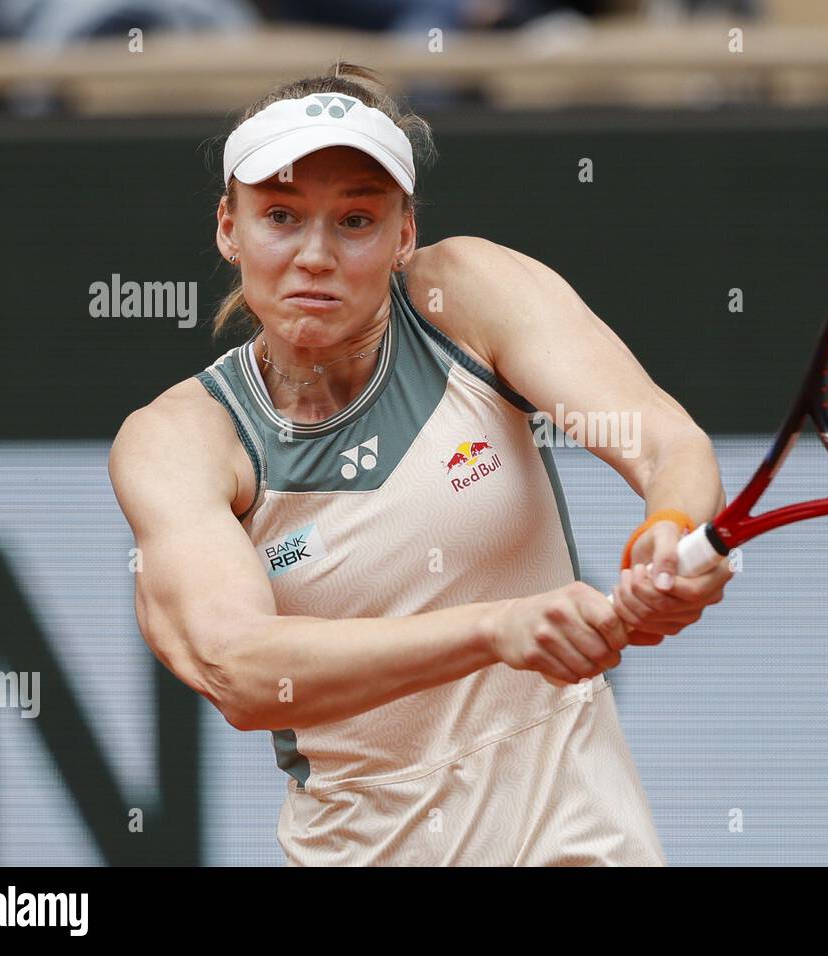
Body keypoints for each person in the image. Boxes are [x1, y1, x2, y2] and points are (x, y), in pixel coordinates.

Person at [108, 61, 733, 866]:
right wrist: (496, 629)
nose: (315, 255)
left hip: (573, 819)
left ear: (405, 234)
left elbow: (666, 442)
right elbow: (243, 672)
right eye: (281, 216)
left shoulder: (465, 295)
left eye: (356, 221)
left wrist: (672, 528)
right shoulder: (180, 439)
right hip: (364, 842)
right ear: (229, 227)